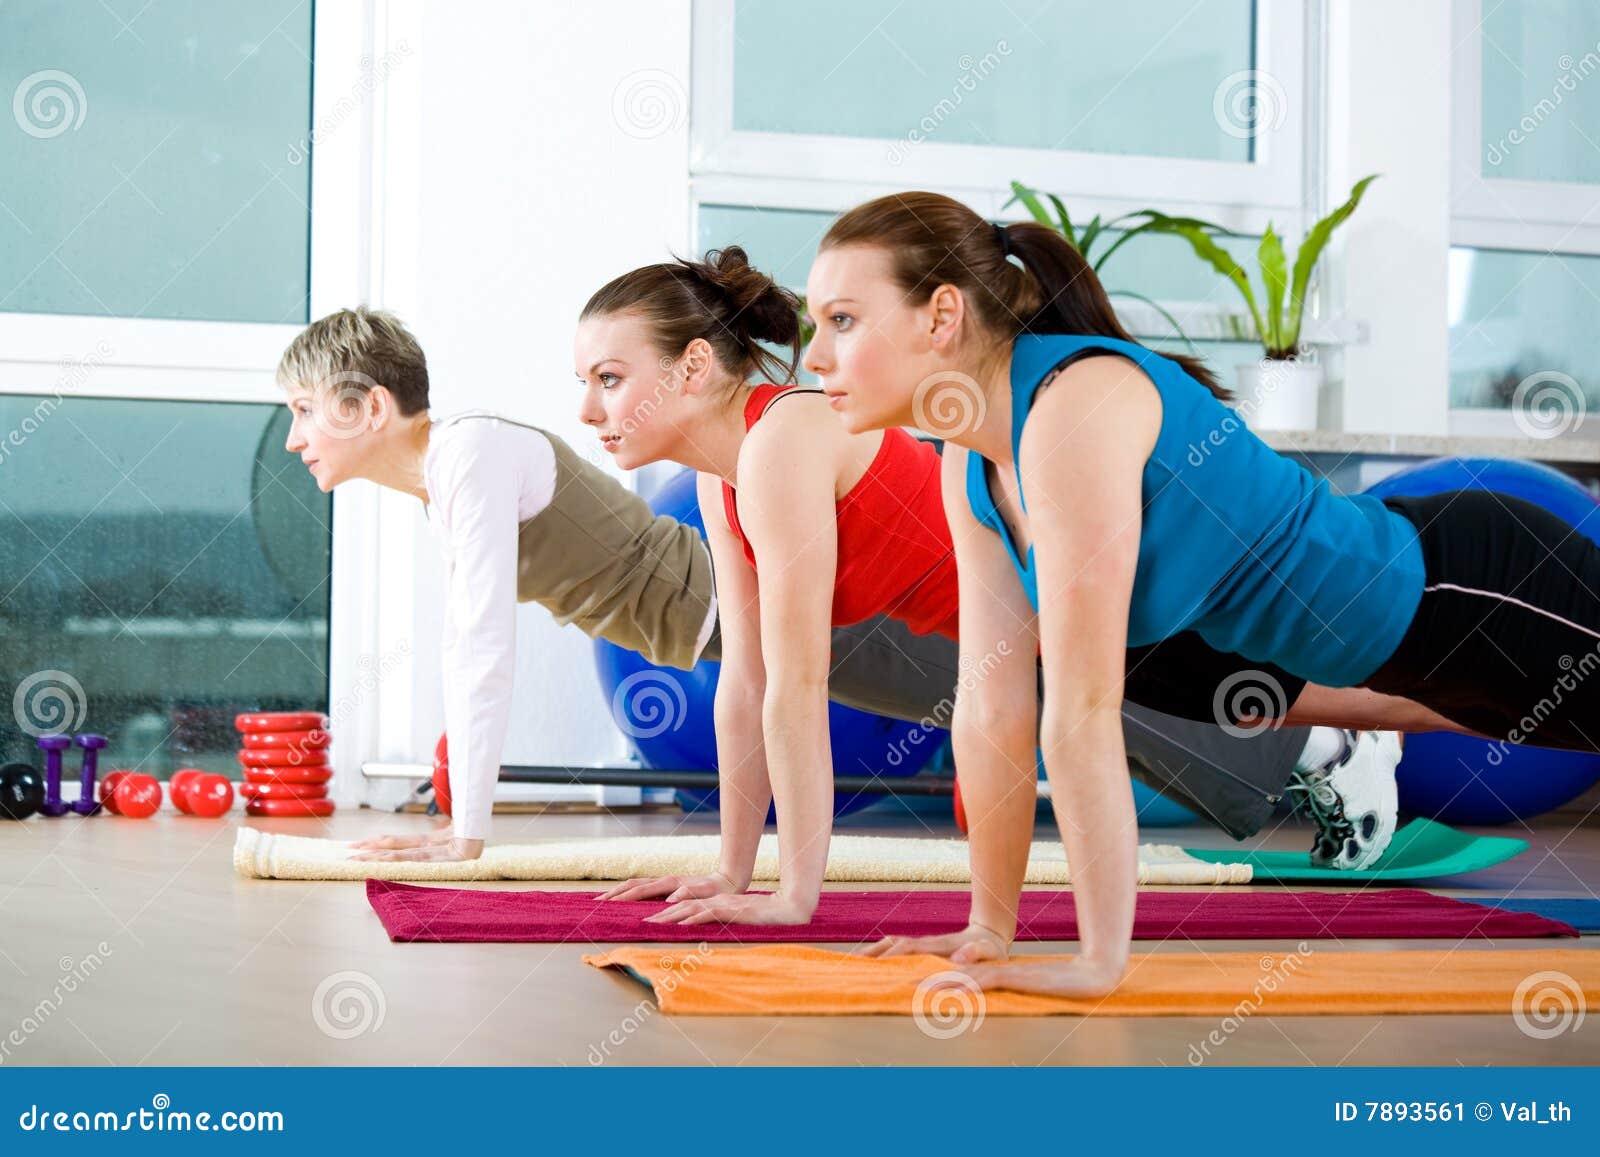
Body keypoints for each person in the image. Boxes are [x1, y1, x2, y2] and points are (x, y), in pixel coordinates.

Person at [805, 190, 1600, 996]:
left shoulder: (1073, 407)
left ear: (942, 316)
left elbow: (1080, 710)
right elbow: (992, 708)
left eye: (842, 321)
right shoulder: (971, 463)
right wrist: (989, 929)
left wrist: (1098, 960)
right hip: (1411, 660)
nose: (814, 357)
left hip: (1468, 588)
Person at [574, 251, 1425, 926]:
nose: (588, 409)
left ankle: (1359, 737)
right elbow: (748, 679)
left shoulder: (781, 440)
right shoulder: (725, 476)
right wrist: (731, 871)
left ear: (693, 366)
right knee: (1224, 694)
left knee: (1324, 685)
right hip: (1013, 615)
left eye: (609, 378)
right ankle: (1354, 733)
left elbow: (797, 687)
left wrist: (795, 895)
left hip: (1064, 569)